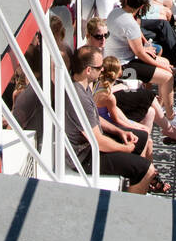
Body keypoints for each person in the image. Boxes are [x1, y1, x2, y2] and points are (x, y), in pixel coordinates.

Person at [66, 46, 157, 194]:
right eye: (99, 67)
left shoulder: (84, 86)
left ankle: (134, 180)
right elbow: (98, 142)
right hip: (84, 158)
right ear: (88, 70)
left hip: (90, 147)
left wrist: (120, 132)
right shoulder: (80, 97)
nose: (102, 70)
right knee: (147, 170)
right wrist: (124, 149)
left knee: (142, 137)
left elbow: (95, 119)